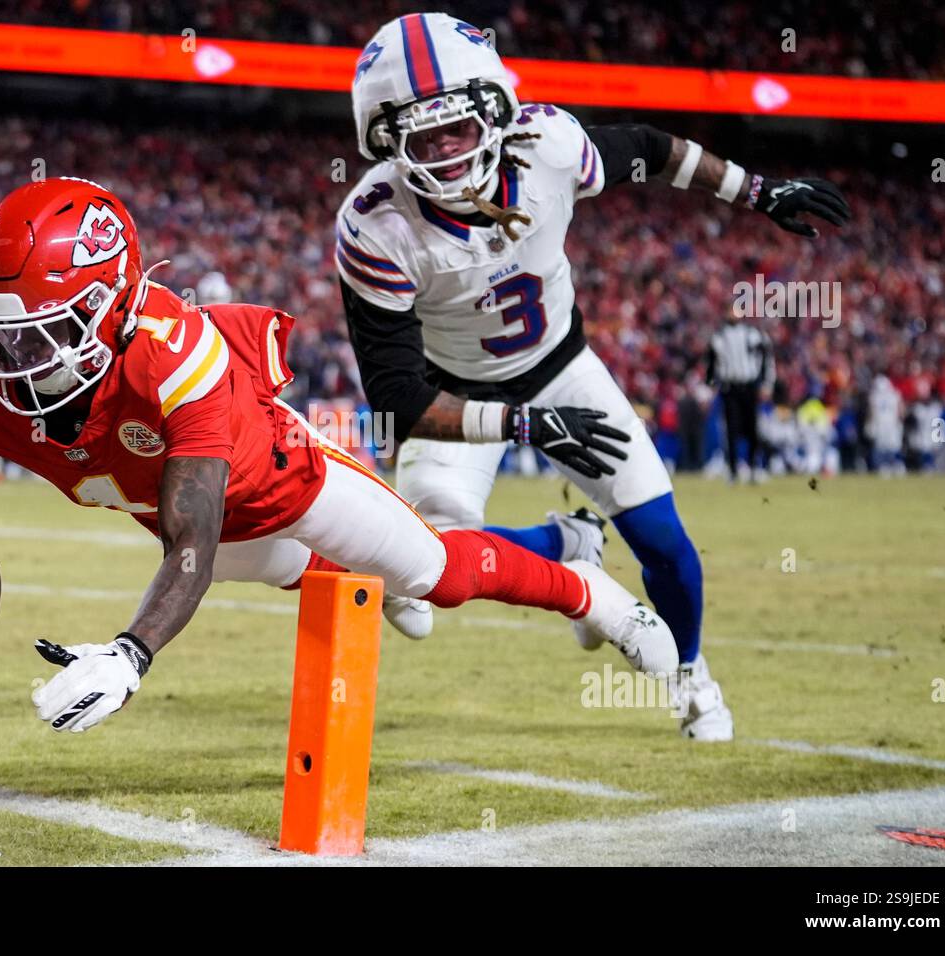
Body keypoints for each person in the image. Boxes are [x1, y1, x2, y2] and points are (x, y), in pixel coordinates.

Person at [0, 178, 678, 735]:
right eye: (1, 337)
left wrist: (131, 654)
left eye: (43, 337)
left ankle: (592, 594)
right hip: (195, 526)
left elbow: (192, 542)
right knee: (359, 583)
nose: (12, 365)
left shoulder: (174, 354)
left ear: (110, 310)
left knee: (440, 578)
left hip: (283, 488)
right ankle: (511, 552)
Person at [336, 13, 849, 739]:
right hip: (455, 389)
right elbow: (396, 398)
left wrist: (758, 191)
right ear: (388, 142)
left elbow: (650, 148)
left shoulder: (548, 146)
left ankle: (690, 672)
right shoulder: (374, 225)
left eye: (457, 127)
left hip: (564, 369)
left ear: (494, 107)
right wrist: (518, 424)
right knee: (423, 580)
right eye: (423, 136)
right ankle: (568, 546)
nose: (446, 152)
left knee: (665, 541)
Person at [707, 309, 776, 483]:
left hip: (749, 386)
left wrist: (766, 383)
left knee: (752, 428)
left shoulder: (753, 335)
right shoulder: (719, 337)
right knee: (731, 429)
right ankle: (732, 469)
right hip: (730, 388)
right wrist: (713, 385)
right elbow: (712, 364)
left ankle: (754, 467)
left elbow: (766, 358)